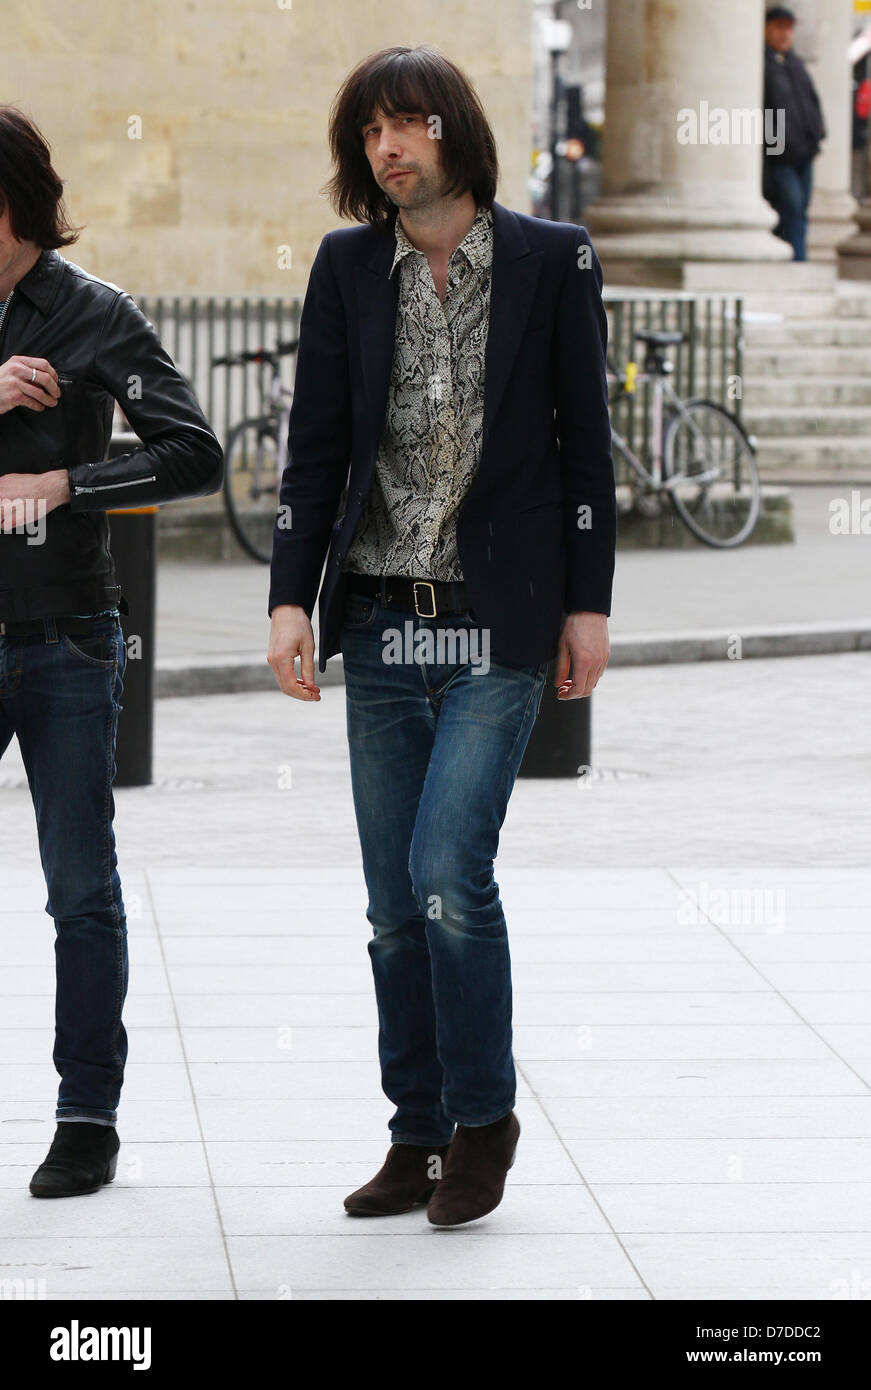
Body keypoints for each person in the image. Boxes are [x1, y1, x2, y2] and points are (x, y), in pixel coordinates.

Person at [267, 45, 616, 1226]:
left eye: (408, 123)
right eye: (371, 131)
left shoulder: (550, 259)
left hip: (494, 622)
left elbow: (587, 445)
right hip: (377, 615)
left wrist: (589, 602)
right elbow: (313, 446)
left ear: (453, 132)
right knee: (388, 901)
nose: (387, 147)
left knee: (445, 876)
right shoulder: (347, 266)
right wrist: (286, 597)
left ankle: (483, 1117)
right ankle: (414, 1135)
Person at [0, 107, 223, 1197]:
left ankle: (87, 1115)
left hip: (67, 638)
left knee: (79, 890)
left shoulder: (94, 317)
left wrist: (65, 484)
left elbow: (195, 454)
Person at [762, 5, 826, 261]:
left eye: (789, 28)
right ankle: (797, 263)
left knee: (799, 212)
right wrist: (775, 147)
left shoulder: (795, 63)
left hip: (804, 153)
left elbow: (811, 101)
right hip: (781, 157)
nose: (785, 34)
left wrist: (818, 133)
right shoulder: (764, 64)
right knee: (791, 210)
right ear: (766, 29)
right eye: (779, 27)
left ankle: (796, 260)